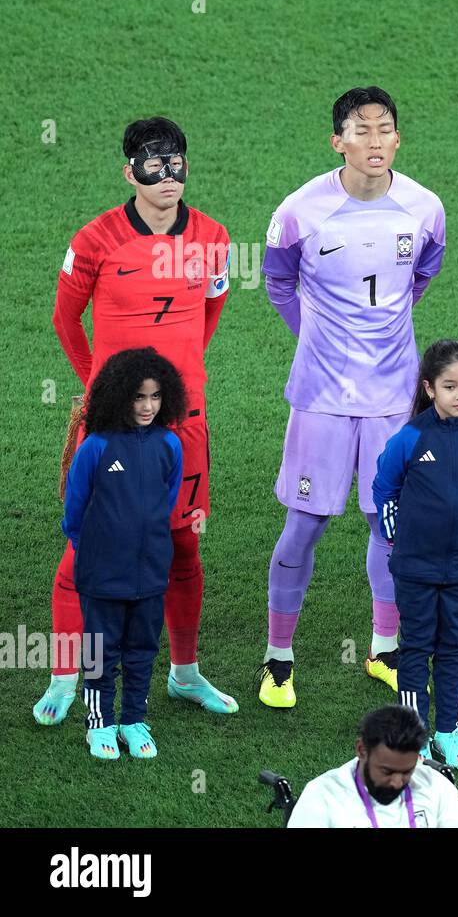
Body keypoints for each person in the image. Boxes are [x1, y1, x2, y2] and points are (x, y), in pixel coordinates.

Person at [36, 116, 236, 726]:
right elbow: (65, 322)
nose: (167, 175)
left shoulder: (215, 238)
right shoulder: (93, 241)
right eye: (153, 164)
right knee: (84, 551)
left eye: (176, 161)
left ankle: (184, 673)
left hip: (186, 424)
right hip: (115, 427)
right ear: (130, 172)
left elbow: (209, 314)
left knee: (182, 544)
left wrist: (179, 385)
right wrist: (101, 390)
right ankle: (65, 673)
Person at [258, 87, 447, 707]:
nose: (373, 140)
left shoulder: (424, 208)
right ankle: (278, 660)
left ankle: (384, 649)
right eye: (360, 130)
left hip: (393, 397)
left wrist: (377, 342)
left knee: (387, 524)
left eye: (384, 129)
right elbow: (280, 283)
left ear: (398, 139)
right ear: (337, 140)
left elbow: (420, 277)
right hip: (322, 397)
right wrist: (319, 340)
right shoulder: (300, 212)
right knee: (305, 524)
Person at [372, 341, 458, 768]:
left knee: (452, 648)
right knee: (415, 648)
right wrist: (398, 539)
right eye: (450, 386)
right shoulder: (409, 438)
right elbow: (384, 489)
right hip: (414, 567)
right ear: (430, 389)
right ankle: (417, 735)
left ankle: (447, 731)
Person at [62, 348, 186, 759]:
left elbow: (166, 503)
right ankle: (99, 724)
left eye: (154, 397)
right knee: (101, 649)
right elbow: (74, 511)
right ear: (119, 397)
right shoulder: (96, 447)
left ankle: (133, 719)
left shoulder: (169, 444)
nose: (148, 406)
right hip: (102, 572)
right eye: (138, 397)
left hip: (151, 571)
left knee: (142, 649)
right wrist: (95, 550)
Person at [288, 706, 458, 828]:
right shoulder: (323, 797)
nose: (397, 782)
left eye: (407, 772)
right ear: (362, 749)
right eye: (387, 771)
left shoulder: (434, 785)